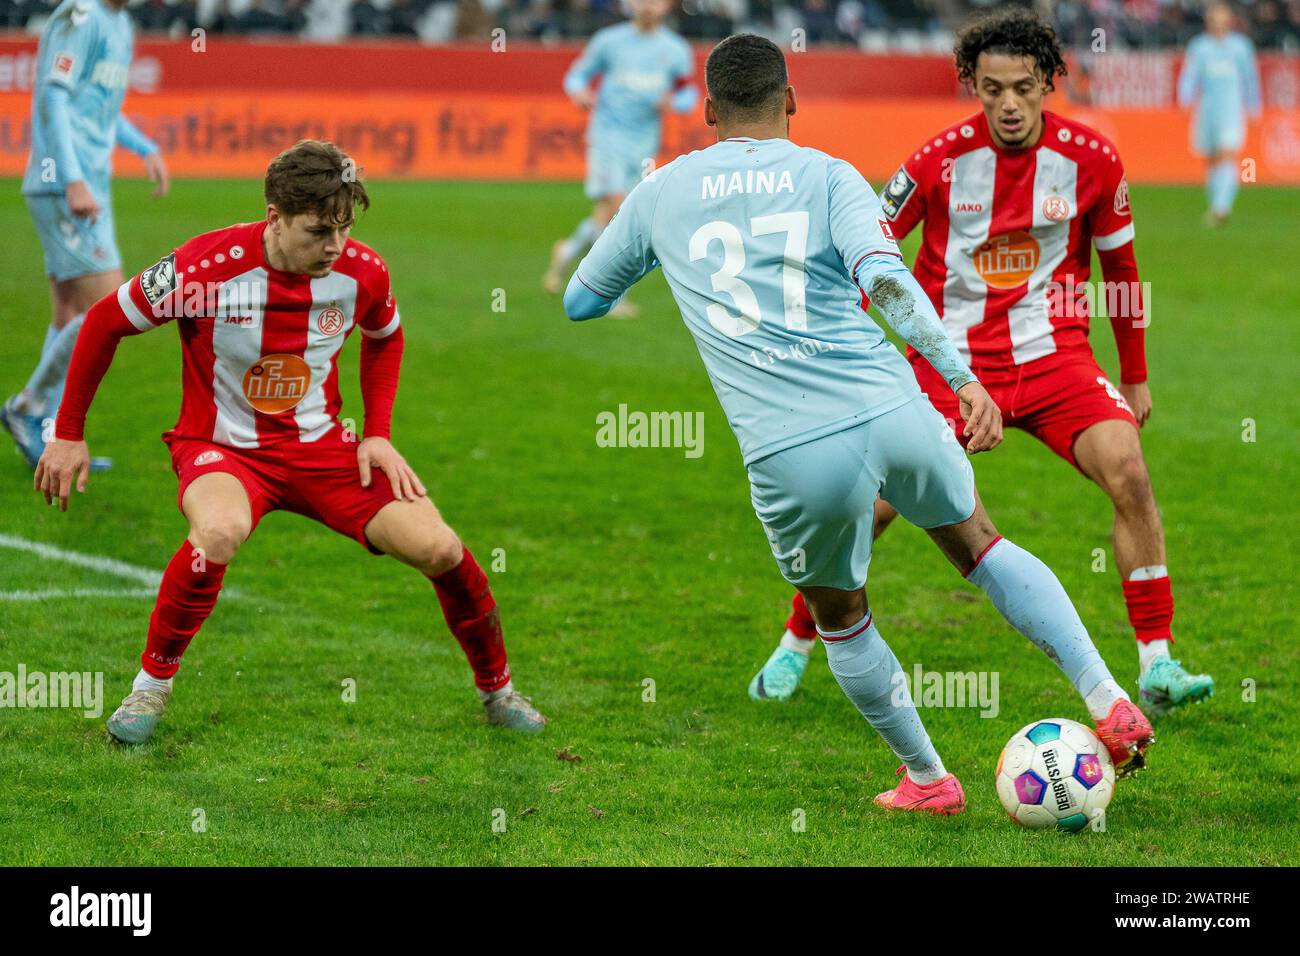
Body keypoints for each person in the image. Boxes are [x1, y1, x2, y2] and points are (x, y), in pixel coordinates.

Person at [563, 34, 1152, 815]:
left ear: (707, 111)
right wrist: (962, 380)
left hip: (791, 448)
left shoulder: (661, 192)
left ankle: (929, 780)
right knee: (979, 543)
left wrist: (660, 259)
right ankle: (1106, 693)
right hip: (894, 409)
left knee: (839, 615)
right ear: (792, 101)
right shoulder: (830, 174)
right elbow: (888, 279)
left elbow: (581, 299)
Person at [750, 7, 1214, 719]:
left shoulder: (1094, 160)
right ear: (972, 84)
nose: (1007, 103)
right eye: (992, 87)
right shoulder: (934, 162)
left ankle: (1157, 663)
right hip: (950, 366)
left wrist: (1136, 373)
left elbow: (1121, 269)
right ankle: (795, 642)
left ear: (1049, 83)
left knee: (1129, 470)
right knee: (866, 509)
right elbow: (862, 253)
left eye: (1023, 87)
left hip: (1057, 358)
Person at [35, 140, 547, 743]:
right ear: (274, 216)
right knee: (218, 533)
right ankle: (150, 688)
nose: (334, 247)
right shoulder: (206, 267)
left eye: (343, 229)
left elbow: (386, 335)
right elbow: (104, 321)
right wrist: (68, 432)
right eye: (317, 232)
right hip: (222, 447)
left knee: (439, 547)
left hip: (323, 448)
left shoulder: (361, 271)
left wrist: (378, 433)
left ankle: (499, 691)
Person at [4, 0, 169, 471]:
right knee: (108, 307)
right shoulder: (80, 15)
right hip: (65, 182)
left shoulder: (121, 22)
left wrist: (145, 147)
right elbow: (53, 96)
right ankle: (27, 408)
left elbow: (99, 108)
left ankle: (46, 432)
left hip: (88, 183)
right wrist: (71, 178)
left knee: (71, 312)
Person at [542, 0, 697, 317]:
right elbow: (576, 75)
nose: (649, 6)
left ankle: (569, 250)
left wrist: (675, 104)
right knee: (617, 207)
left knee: (615, 214)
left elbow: (688, 94)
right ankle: (609, 294)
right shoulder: (609, 41)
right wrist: (579, 92)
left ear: (668, 7)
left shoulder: (675, 49)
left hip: (643, 144)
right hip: (607, 137)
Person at [1177, 2, 1261, 225]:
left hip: (1231, 108)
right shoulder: (1199, 46)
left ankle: (1221, 208)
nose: (1218, 23)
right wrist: (1184, 98)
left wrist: (1253, 106)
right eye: (1214, 19)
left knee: (1227, 154)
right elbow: (1190, 74)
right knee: (1213, 158)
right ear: (1208, 21)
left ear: (1229, 20)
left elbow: (1250, 78)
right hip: (1207, 108)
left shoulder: (1241, 47)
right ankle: (1215, 204)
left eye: (1221, 18)